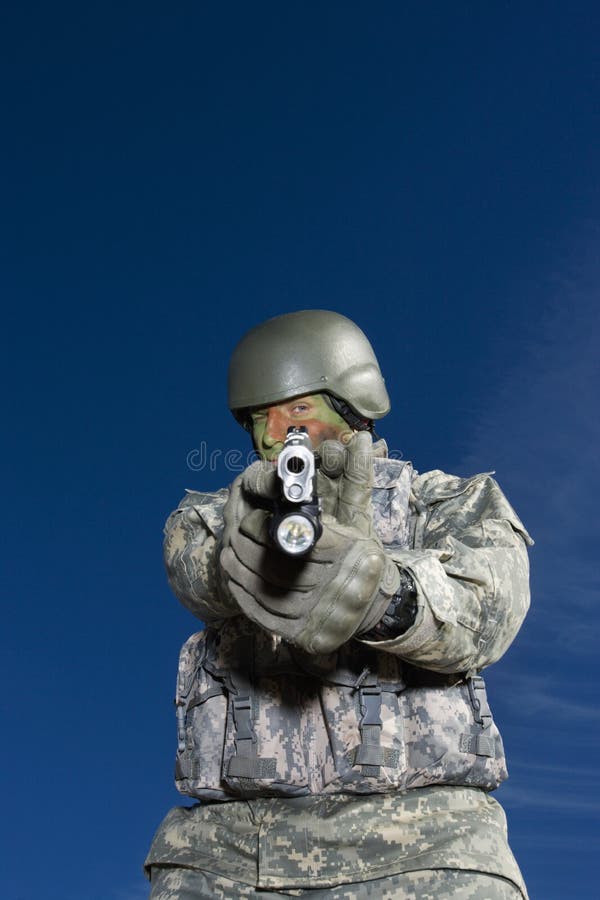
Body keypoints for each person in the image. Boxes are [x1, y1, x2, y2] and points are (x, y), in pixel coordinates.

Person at [145, 310, 532, 899]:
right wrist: (252, 553)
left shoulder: (447, 504)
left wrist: (384, 594)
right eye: (258, 418)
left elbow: (488, 607)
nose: (274, 434)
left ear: (353, 406)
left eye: (297, 409)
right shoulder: (218, 515)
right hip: (233, 856)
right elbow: (193, 571)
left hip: (429, 847)